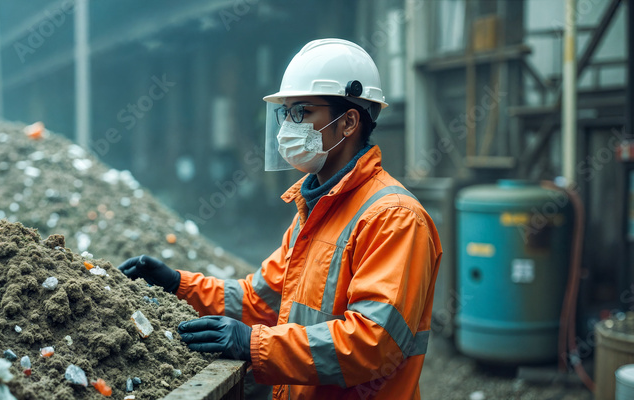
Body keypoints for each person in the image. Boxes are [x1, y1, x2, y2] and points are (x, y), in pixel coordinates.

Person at [119, 38, 442, 399]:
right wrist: (179, 284)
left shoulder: (394, 218)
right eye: (286, 112)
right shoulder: (314, 209)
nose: (289, 124)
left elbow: (373, 342)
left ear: (349, 121)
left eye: (302, 111)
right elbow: (259, 301)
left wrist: (253, 344)